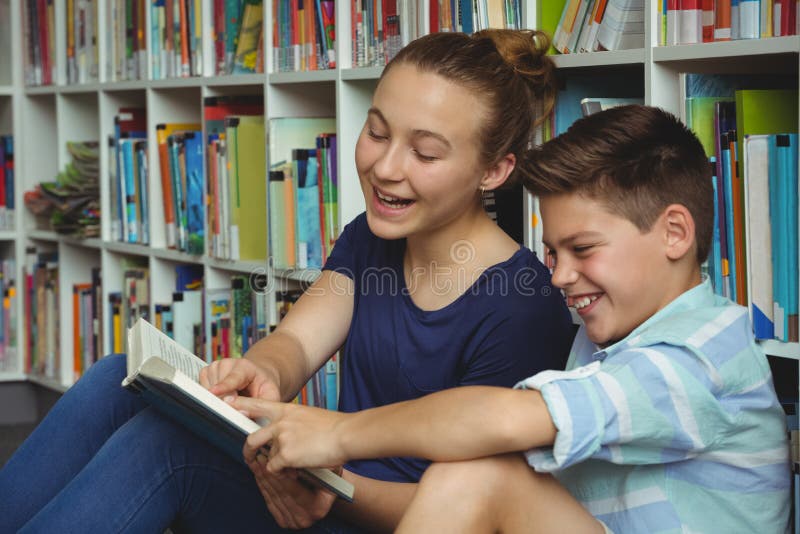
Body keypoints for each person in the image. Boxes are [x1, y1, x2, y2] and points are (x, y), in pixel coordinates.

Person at [0, 29, 576, 533]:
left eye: (425, 152)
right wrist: (264, 371)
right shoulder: (373, 237)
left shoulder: (521, 309)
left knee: (165, 445)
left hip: (390, 518)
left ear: (495, 170)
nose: (386, 167)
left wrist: (328, 489)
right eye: (377, 132)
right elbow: (299, 341)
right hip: (319, 483)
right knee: (115, 379)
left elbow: (483, 510)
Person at [231, 105, 792, 533]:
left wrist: (340, 434)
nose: (559, 276)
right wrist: (338, 485)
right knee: (479, 471)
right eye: (552, 253)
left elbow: (498, 422)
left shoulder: (699, 357)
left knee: (483, 474)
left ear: (674, 233)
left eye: (583, 248)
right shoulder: (613, 340)